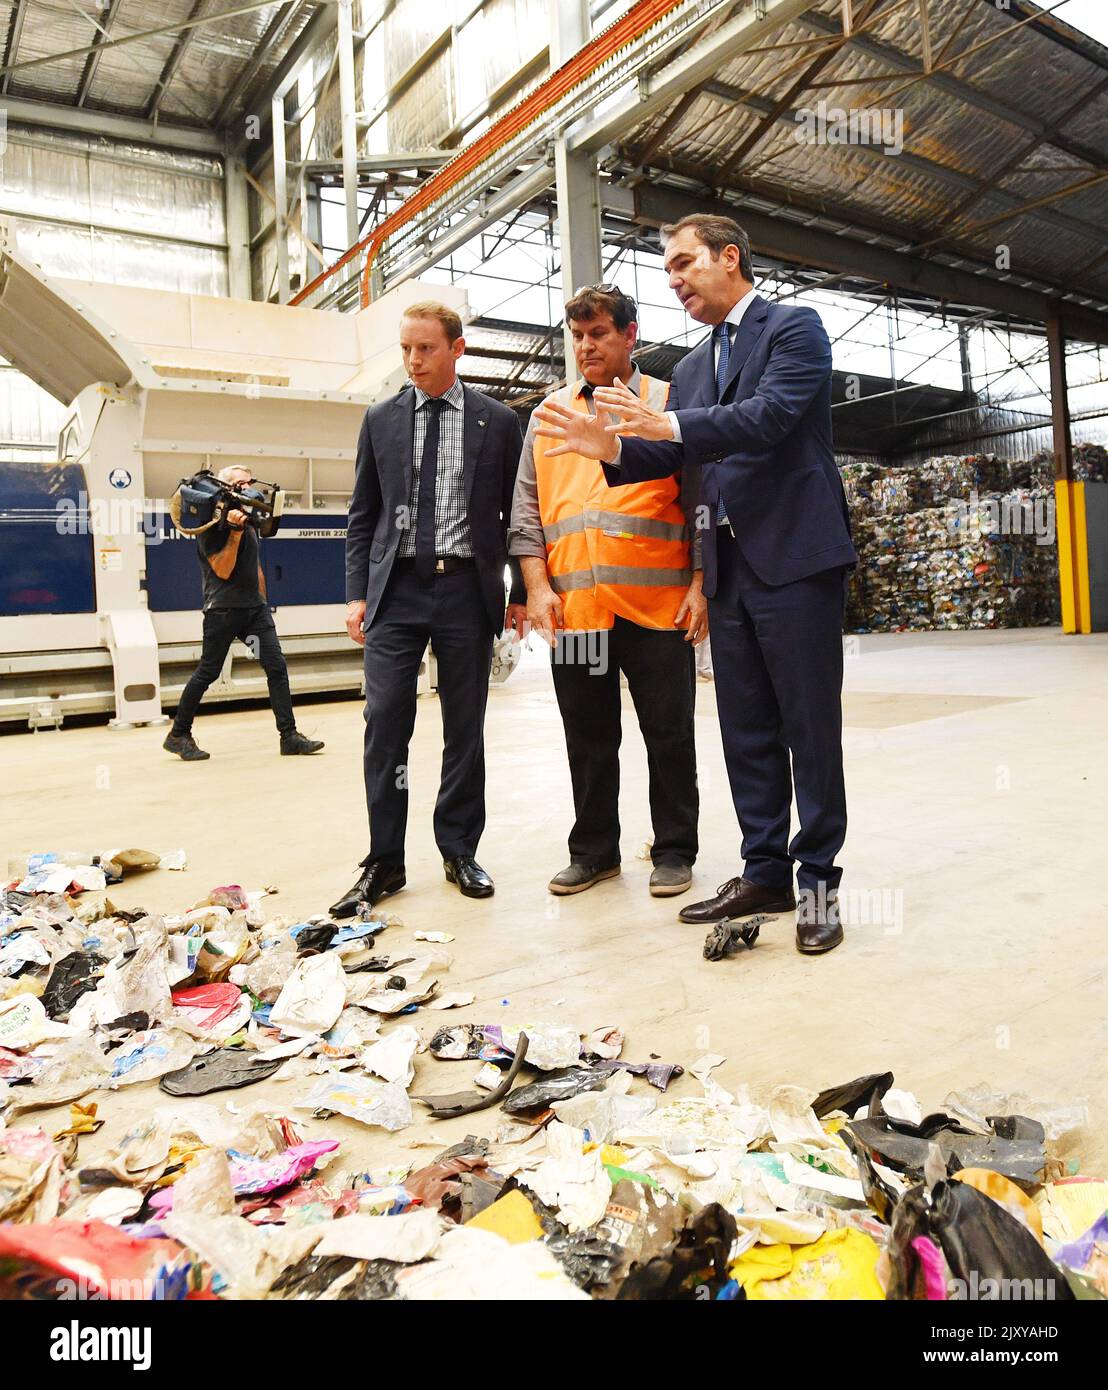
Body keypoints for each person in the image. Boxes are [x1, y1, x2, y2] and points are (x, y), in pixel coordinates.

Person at [534, 214, 857, 954]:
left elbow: (768, 419)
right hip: (729, 572)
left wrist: (664, 423)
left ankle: (816, 887)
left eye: (684, 264)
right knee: (746, 730)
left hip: (795, 563)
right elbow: (678, 460)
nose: (674, 280)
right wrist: (614, 447)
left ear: (729, 257)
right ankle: (764, 870)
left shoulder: (795, 329)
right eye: (670, 269)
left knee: (809, 728)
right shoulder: (696, 365)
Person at [331, 301, 528, 917]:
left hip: (467, 589)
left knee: (463, 728)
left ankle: (459, 849)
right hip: (397, 592)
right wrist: (358, 593)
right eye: (406, 349)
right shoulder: (380, 419)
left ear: (457, 349)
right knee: (385, 721)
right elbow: (363, 514)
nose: (413, 361)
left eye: (426, 349)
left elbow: (518, 514)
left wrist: (520, 588)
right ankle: (384, 861)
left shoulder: (497, 422)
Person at [510, 284, 704, 898]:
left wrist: (700, 584)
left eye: (599, 334)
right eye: (578, 336)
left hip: (656, 607)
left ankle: (674, 850)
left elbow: (702, 502)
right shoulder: (548, 416)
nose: (586, 346)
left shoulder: (667, 406)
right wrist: (536, 588)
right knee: (588, 736)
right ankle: (594, 851)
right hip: (577, 612)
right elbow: (526, 511)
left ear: (630, 335)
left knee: (668, 734)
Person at [163, 465, 324, 761]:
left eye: (249, 482)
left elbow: (255, 566)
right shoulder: (212, 524)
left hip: (254, 612)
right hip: (223, 611)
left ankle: (288, 737)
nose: (247, 487)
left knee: (276, 667)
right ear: (224, 489)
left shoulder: (249, 521)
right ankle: (177, 735)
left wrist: (261, 599)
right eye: (239, 483)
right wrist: (234, 532)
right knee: (208, 672)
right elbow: (222, 570)